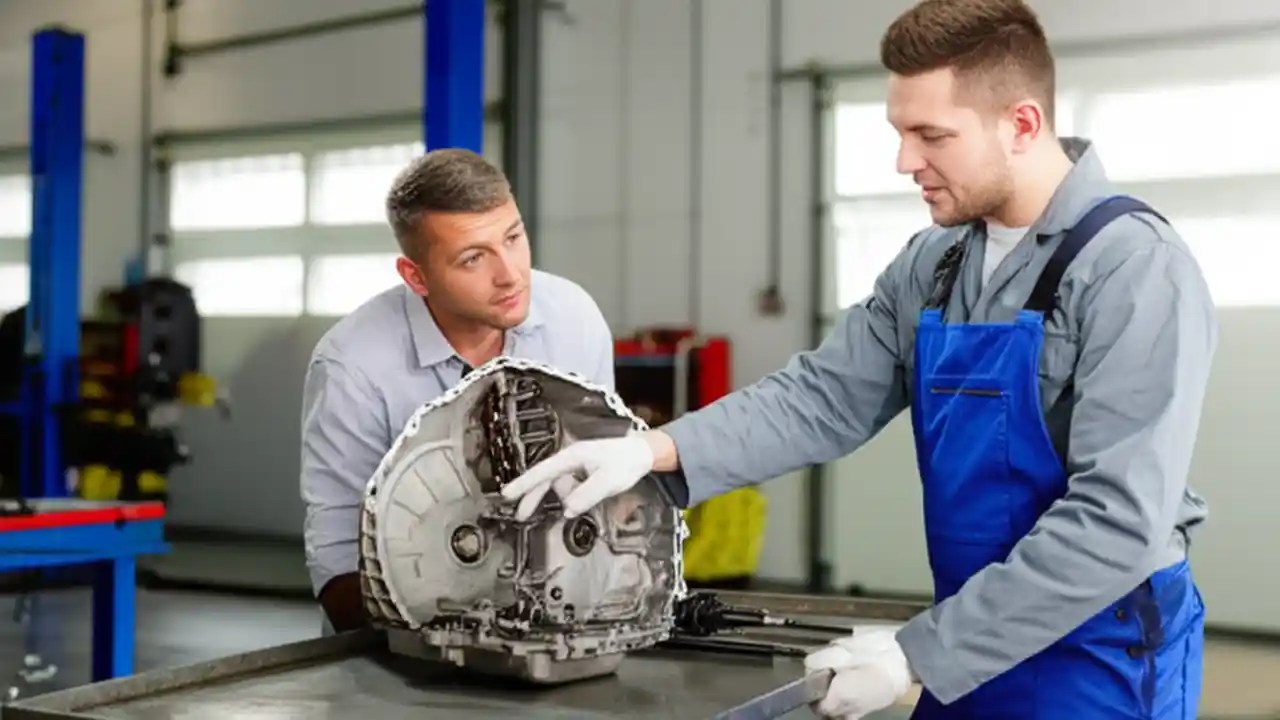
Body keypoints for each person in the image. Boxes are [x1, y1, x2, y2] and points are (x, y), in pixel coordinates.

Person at [500, 0, 1218, 718]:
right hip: (973, 633)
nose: (906, 161)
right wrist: (654, 450)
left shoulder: (1134, 269)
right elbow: (821, 397)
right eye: (899, 131)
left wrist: (917, 654)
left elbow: (1119, 519)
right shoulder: (935, 263)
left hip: (1101, 651)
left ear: (1022, 125)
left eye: (931, 135)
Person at [300, 148, 615, 634]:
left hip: (560, 627)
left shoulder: (575, 319)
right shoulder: (354, 365)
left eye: (513, 237)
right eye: (473, 259)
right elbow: (340, 559)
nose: (510, 274)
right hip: (400, 653)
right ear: (416, 277)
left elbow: (603, 482)